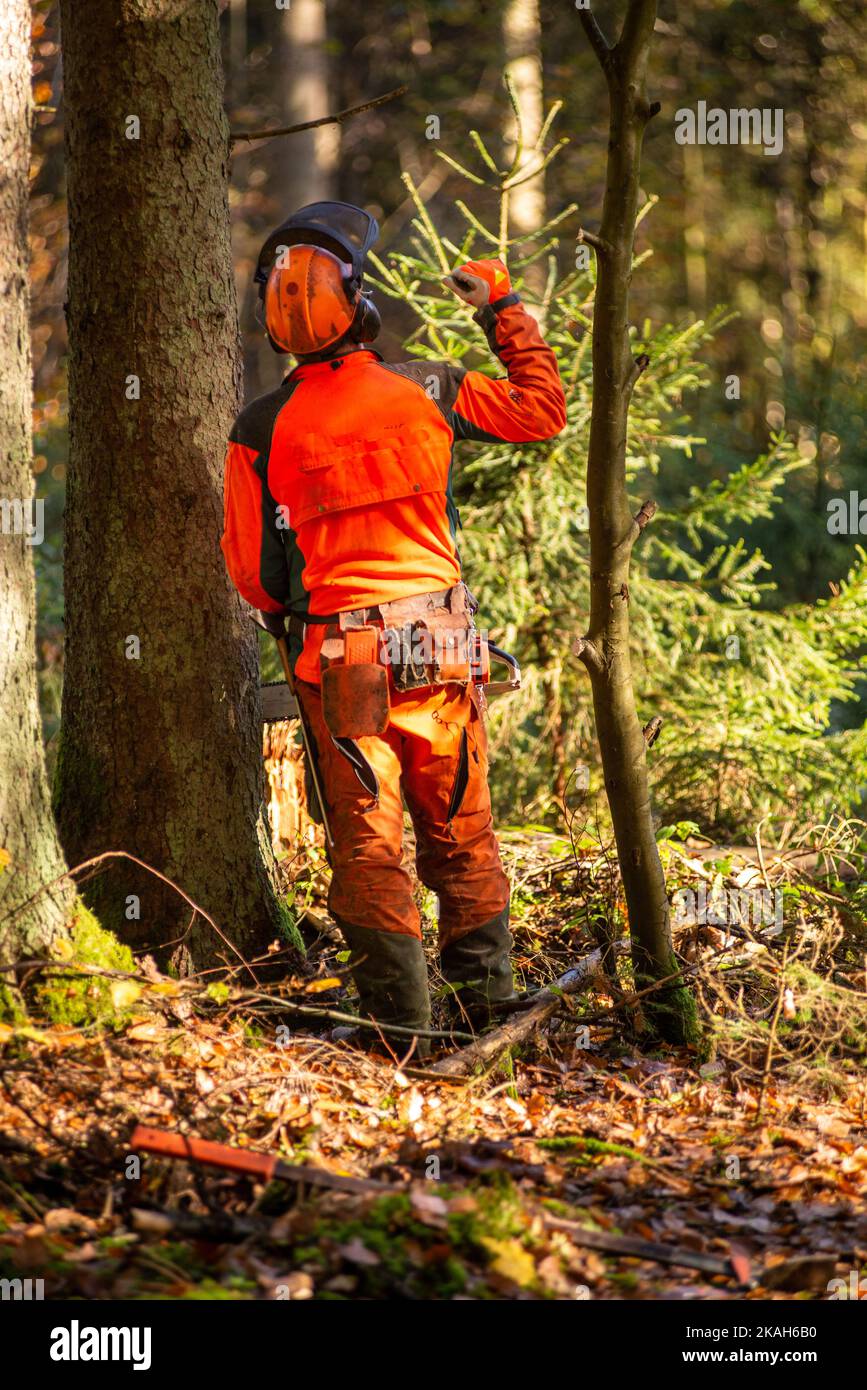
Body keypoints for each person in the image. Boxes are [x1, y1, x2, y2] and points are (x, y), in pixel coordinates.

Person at [221, 201, 566, 1054]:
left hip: (342, 657)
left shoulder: (262, 427)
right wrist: (499, 307)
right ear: (363, 307)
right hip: (441, 644)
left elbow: (251, 573)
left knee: (371, 848)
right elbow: (542, 410)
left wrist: (288, 625)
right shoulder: (429, 387)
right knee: (459, 826)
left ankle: (401, 1032)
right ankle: (488, 1005)